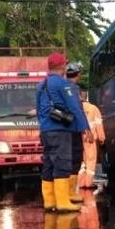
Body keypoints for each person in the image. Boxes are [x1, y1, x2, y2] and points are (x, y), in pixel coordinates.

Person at [37, 53, 91, 212]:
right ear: (62, 67)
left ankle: (49, 201)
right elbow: (74, 107)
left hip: (46, 130)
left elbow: (39, 109)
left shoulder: (41, 84)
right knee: (62, 163)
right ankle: (62, 202)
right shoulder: (63, 84)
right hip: (61, 130)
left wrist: (43, 125)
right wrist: (84, 128)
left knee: (48, 164)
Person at [65, 61, 86, 204]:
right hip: (73, 129)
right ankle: (70, 193)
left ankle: (67, 193)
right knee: (75, 159)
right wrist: (86, 128)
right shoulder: (73, 89)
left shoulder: (61, 86)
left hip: (63, 129)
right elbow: (77, 110)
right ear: (78, 74)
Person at [77, 89, 106, 189]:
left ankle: (81, 183)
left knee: (81, 161)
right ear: (86, 97)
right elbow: (98, 124)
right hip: (90, 140)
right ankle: (88, 183)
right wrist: (102, 137)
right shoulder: (93, 109)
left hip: (78, 139)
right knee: (90, 160)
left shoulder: (76, 108)